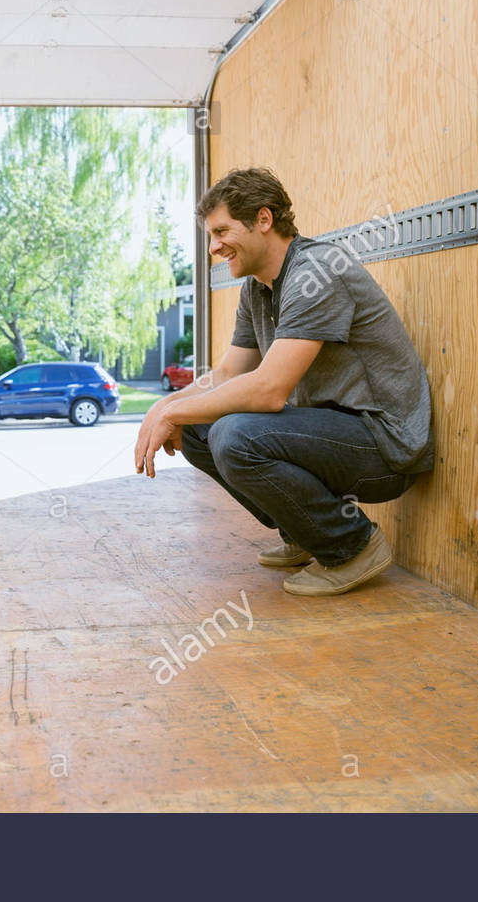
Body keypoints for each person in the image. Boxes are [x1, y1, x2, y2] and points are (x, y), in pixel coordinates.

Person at [134, 168, 434, 596]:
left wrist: (171, 410)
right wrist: (163, 409)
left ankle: (352, 546)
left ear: (263, 219)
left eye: (221, 231)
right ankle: (305, 534)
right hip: (330, 433)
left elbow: (268, 390)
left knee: (235, 435)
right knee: (199, 428)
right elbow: (225, 376)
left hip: (385, 445)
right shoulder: (258, 289)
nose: (214, 246)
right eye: (210, 235)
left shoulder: (317, 273)